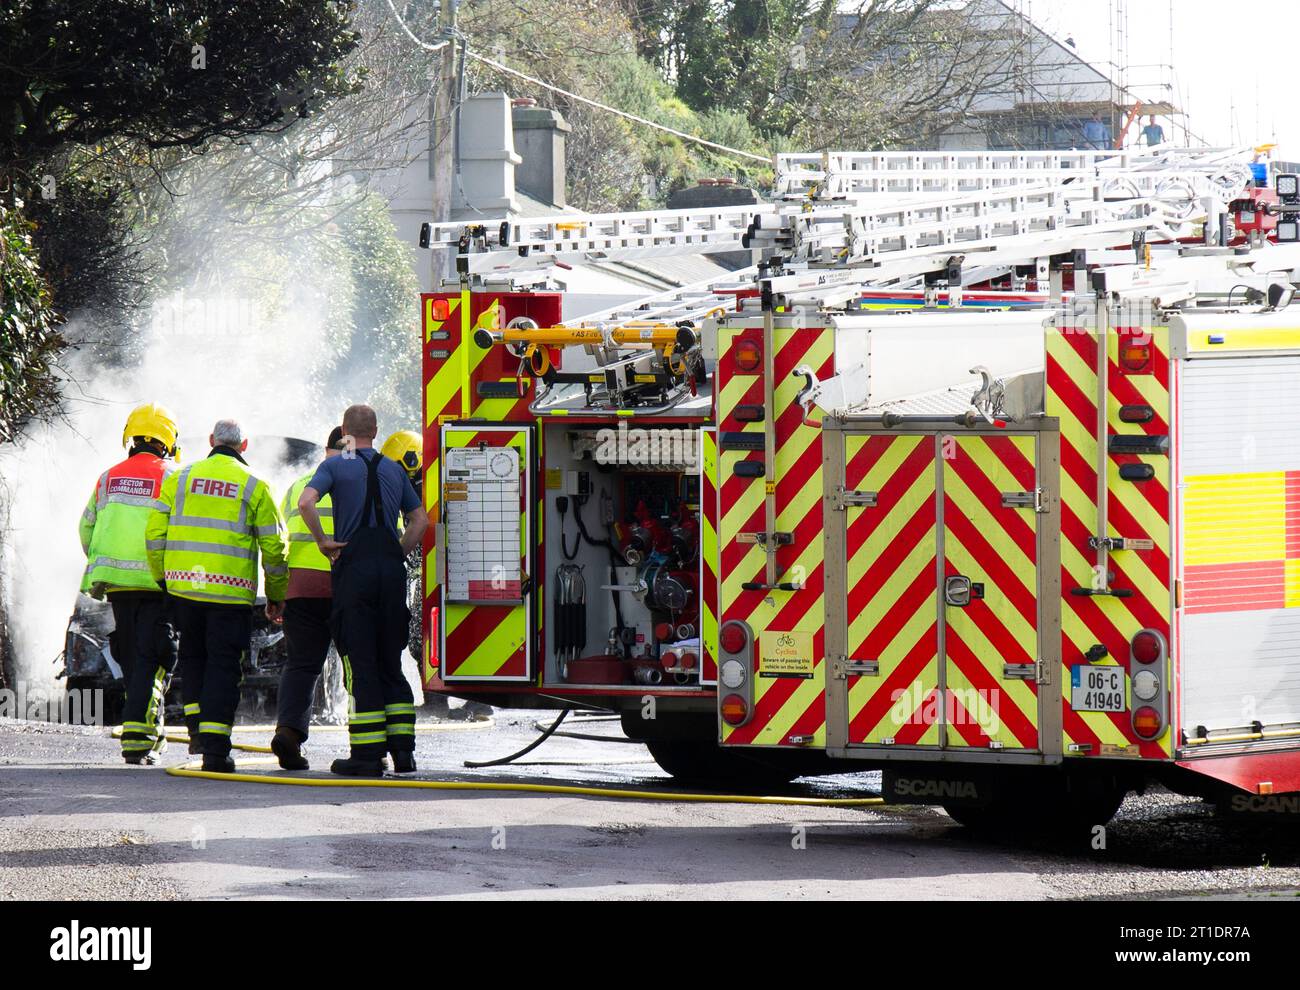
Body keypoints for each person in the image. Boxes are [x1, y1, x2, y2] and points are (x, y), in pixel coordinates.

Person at [146, 419, 288, 773]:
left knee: (193, 658)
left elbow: (153, 534)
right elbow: (274, 547)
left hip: (183, 590)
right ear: (244, 446)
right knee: (224, 667)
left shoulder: (178, 478)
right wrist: (276, 594)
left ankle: (196, 729)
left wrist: (163, 578)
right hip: (230, 595)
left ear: (211, 441)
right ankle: (215, 750)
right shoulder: (255, 485)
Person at [298, 405, 428, 777]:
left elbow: (306, 501)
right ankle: (403, 753)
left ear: (344, 430)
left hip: (354, 570)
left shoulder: (336, 464)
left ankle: (367, 755)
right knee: (390, 658)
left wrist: (323, 541)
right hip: (390, 572)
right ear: (376, 430)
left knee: (359, 660)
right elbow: (420, 520)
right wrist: (396, 552)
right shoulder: (392, 468)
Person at [80, 404, 182, 764]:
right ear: (167, 442)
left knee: (134, 655)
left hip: (118, 586)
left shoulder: (107, 477)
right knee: (156, 656)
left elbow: (86, 529)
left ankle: (150, 733)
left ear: (132, 438)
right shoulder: (174, 477)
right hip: (157, 583)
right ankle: (138, 735)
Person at [270, 426, 345, 771]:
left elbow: (281, 539)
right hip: (347, 588)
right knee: (360, 667)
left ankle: (289, 732)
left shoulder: (299, 487)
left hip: (300, 588)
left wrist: (277, 591)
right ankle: (367, 745)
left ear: (325, 450)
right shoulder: (362, 485)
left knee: (300, 664)